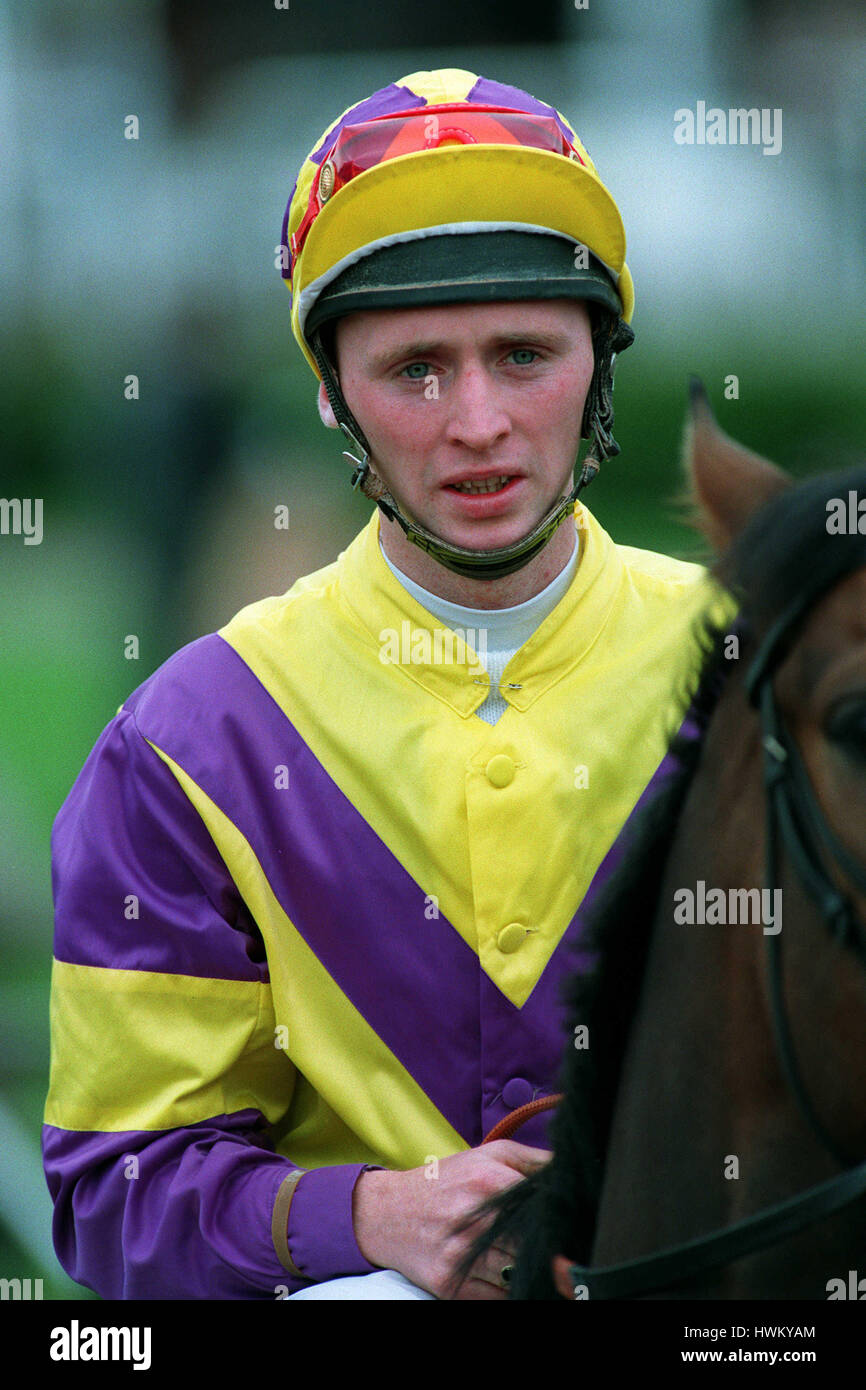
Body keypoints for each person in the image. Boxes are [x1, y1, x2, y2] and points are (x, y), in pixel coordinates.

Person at [43, 68, 717, 1300]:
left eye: (523, 354)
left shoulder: (757, 671)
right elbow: (113, 1197)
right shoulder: (188, 740)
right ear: (328, 392)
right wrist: (371, 1215)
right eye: (414, 367)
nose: (475, 422)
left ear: (598, 368)